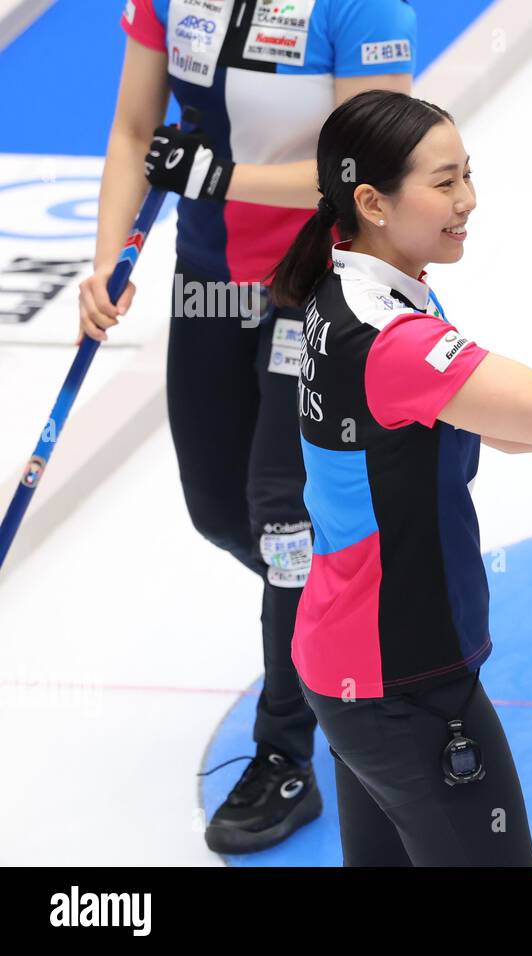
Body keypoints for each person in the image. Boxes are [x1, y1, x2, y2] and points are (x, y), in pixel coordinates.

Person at [81, 0, 418, 853]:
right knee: (221, 512)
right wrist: (104, 261)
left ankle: (288, 752)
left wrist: (218, 175)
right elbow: (133, 131)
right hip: (211, 278)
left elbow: (370, 163)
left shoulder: (358, 6)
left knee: (281, 521)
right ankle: (347, 600)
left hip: (316, 283)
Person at [269, 89, 532, 866]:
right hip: (403, 683)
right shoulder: (389, 336)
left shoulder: (364, 295)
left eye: (467, 174)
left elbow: (509, 427)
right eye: (444, 183)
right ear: (371, 200)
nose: (467, 200)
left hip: (355, 671)